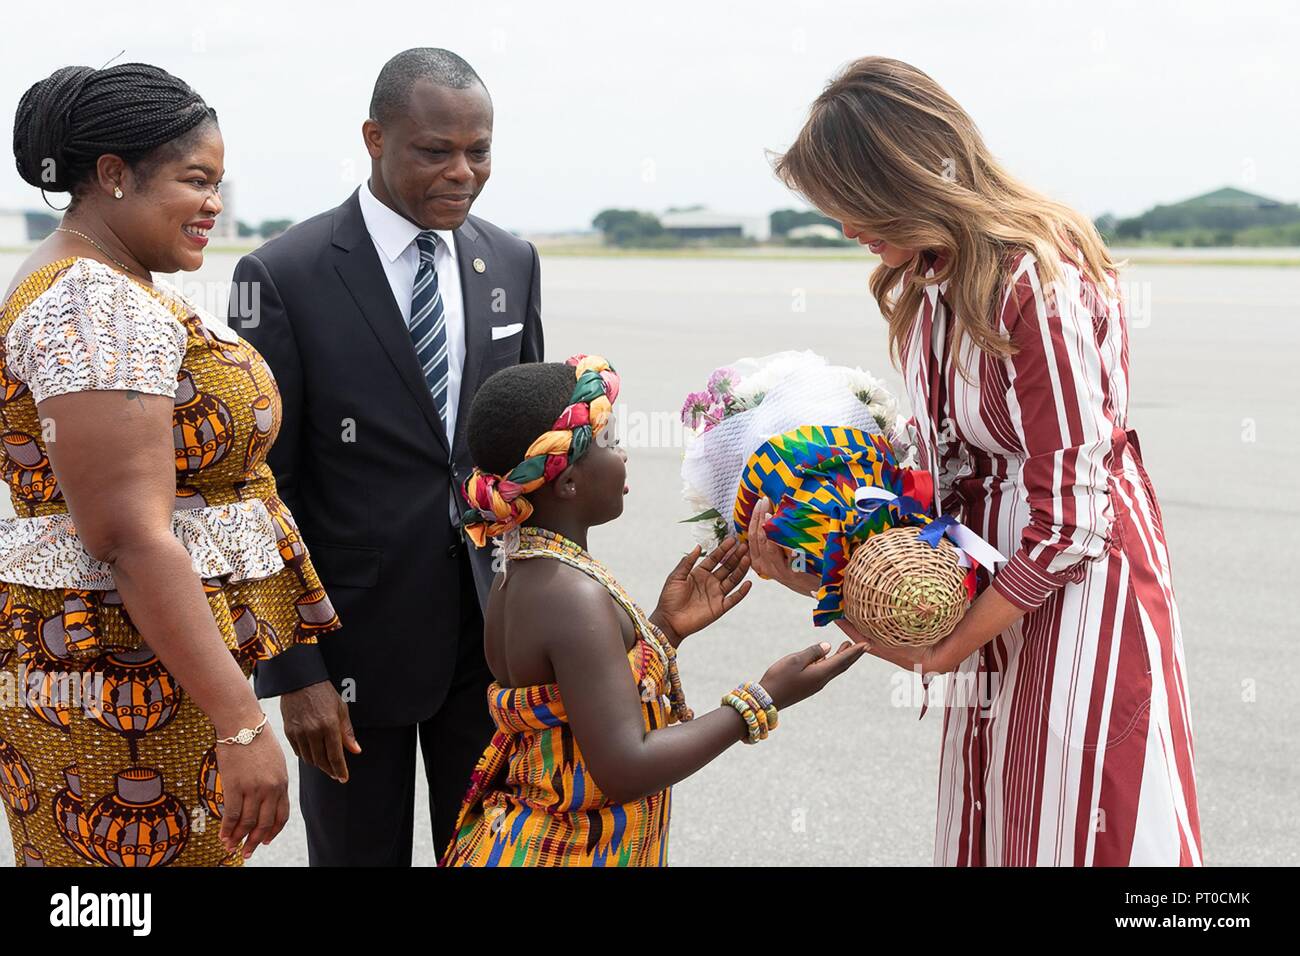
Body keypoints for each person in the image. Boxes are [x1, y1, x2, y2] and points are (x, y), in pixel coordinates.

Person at [756, 55, 1201, 866]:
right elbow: (938, 469)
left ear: (912, 175)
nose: (848, 230)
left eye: (855, 207)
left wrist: (946, 648)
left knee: (1074, 818)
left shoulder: (1037, 279)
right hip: (985, 582)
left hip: (1073, 592)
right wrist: (808, 538)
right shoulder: (932, 276)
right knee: (998, 818)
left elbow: (1071, 519)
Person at [0, 63, 339, 867]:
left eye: (219, 181)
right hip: (121, 682)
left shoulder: (102, 281)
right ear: (113, 176)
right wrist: (242, 723)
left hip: (136, 666)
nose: (215, 204)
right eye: (196, 179)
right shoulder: (95, 300)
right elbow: (129, 537)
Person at [230, 48, 542, 865]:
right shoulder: (283, 275)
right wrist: (296, 673)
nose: (463, 172)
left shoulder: (511, 260)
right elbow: (262, 491)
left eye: (479, 151)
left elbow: (530, 460)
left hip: (491, 644)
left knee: (489, 855)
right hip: (348, 654)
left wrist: (555, 628)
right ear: (374, 137)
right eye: (435, 150)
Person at [441, 356, 868, 866]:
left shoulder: (526, 570)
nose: (623, 453)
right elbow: (625, 765)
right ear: (568, 483)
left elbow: (574, 702)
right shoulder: (569, 595)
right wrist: (765, 697)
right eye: (609, 443)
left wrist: (663, 630)